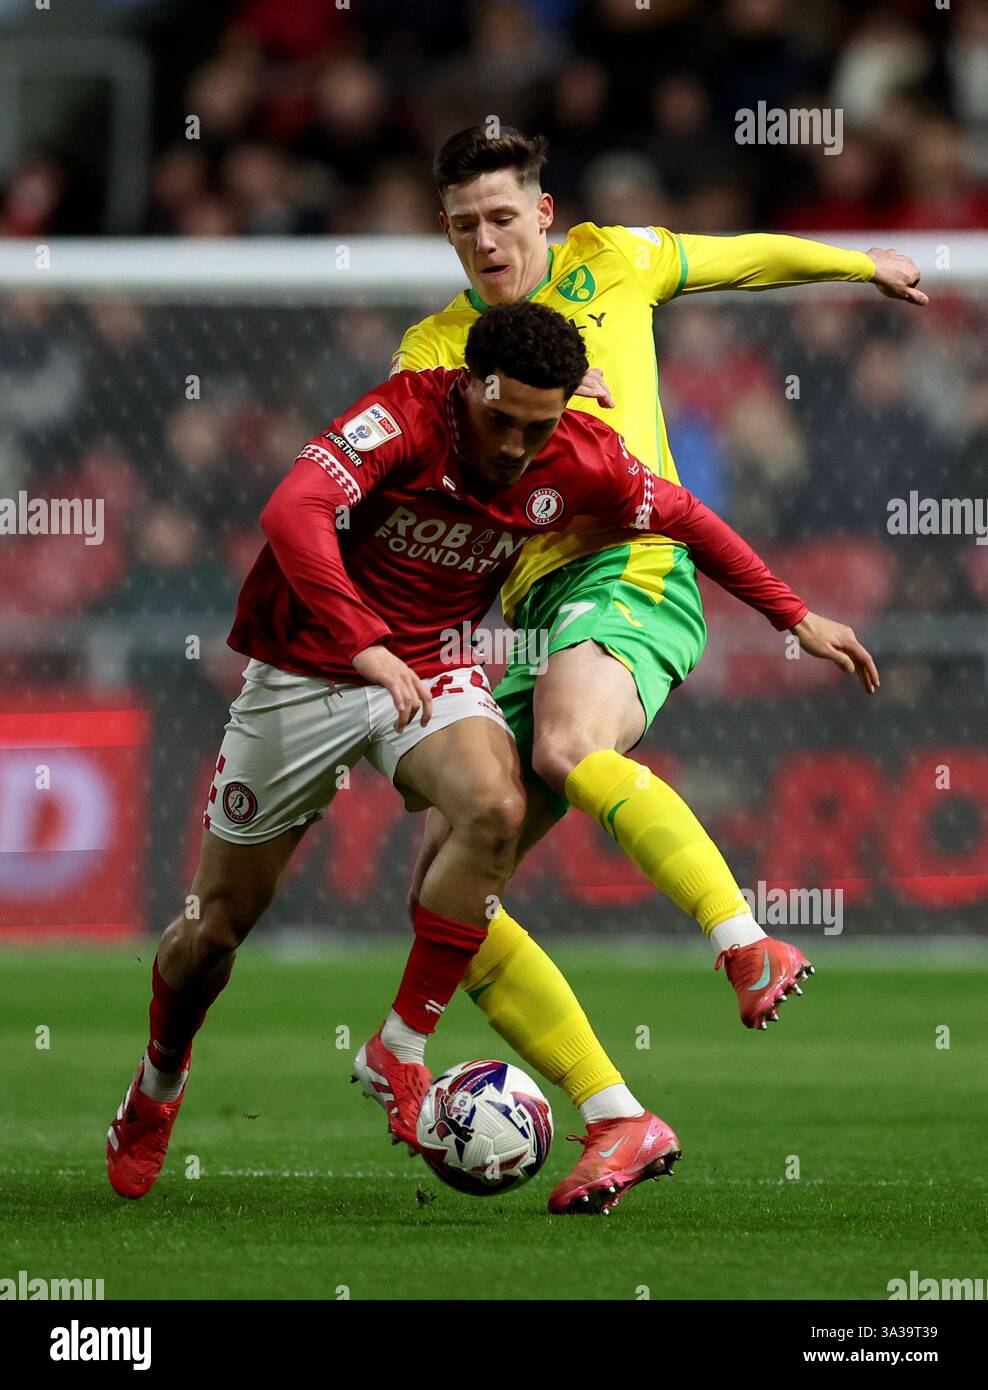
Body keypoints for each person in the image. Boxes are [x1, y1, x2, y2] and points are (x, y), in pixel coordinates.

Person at [106, 302, 877, 1212]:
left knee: (497, 808)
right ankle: (156, 1088)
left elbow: (689, 519)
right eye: (501, 418)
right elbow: (293, 510)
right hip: (308, 666)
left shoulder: (576, 454)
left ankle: (399, 1044)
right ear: (470, 383)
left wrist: (796, 615)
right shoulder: (403, 415)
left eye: (538, 426)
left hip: (430, 662)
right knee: (214, 933)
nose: (515, 445)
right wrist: (361, 641)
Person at [391, 125, 913, 1211]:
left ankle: (747, 941)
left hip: (634, 566)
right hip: (531, 612)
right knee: (448, 892)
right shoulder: (433, 351)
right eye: (462, 224)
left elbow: (740, 257)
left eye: (501, 216)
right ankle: (620, 1118)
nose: (485, 239)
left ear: (542, 213)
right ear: (445, 233)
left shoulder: (612, 260)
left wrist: (857, 263)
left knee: (568, 744)